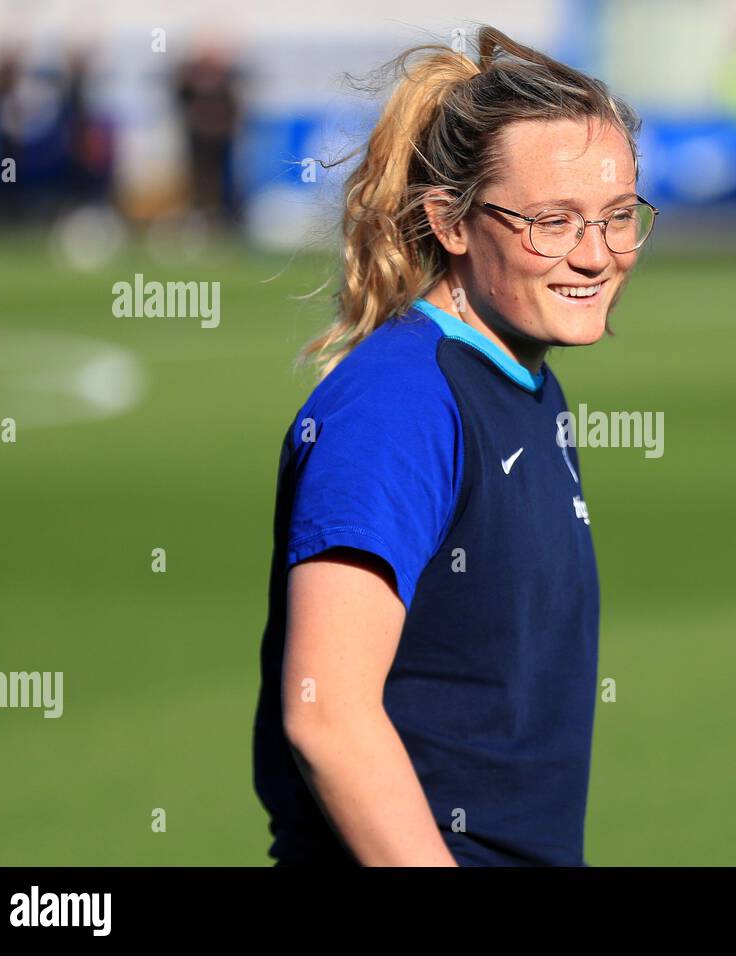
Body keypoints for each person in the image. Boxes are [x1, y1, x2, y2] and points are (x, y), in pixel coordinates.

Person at [251, 24, 657, 866]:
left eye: (619, 218)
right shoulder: (399, 404)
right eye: (552, 222)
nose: (596, 256)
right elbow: (327, 713)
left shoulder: (524, 380)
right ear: (452, 223)